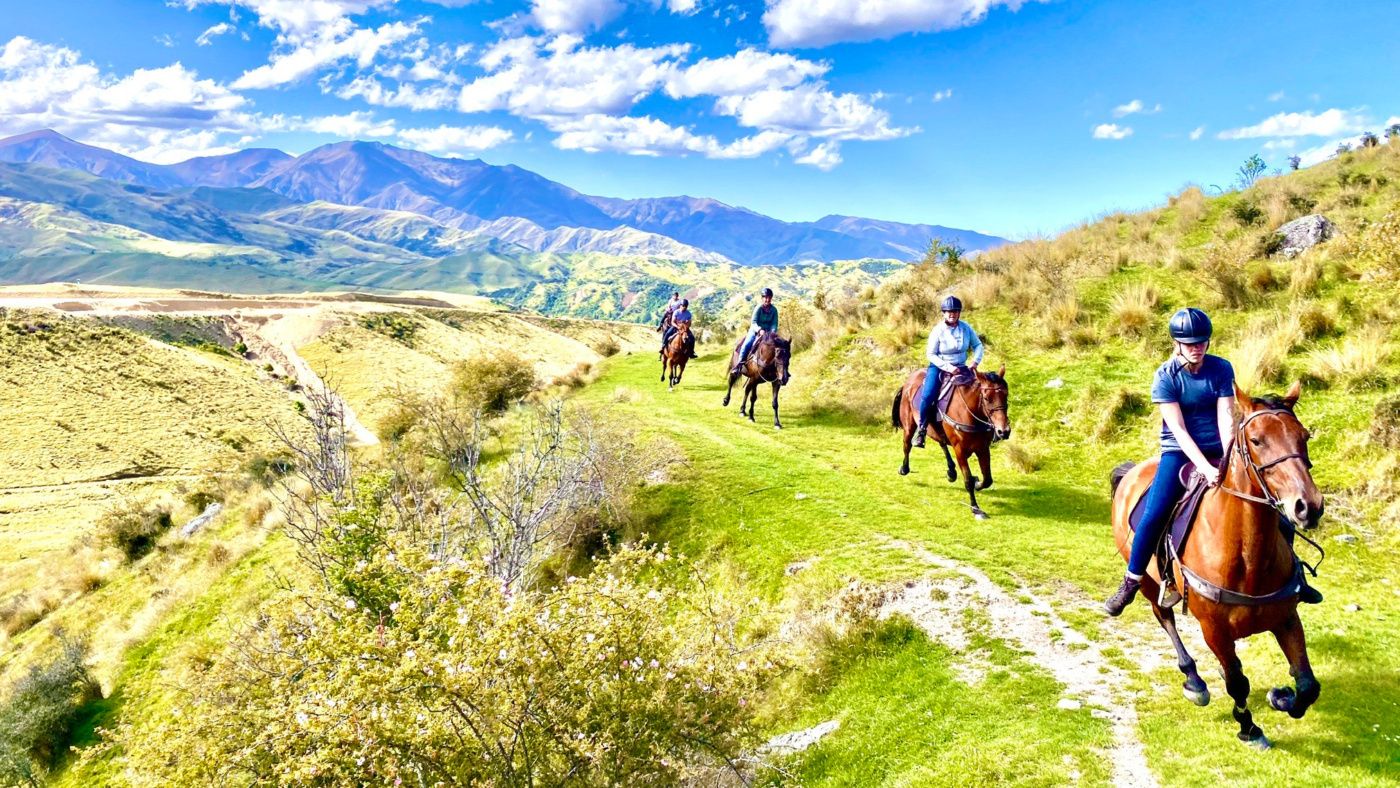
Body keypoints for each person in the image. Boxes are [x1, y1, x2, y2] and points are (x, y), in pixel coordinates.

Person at [1104, 308, 1322, 616]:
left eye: (1202, 342)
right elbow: (1177, 429)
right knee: (1153, 513)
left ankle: (1295, 575)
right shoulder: (1166, 377)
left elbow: (1224, 417)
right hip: (1179, 452)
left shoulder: (1221, 368)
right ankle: (1131, 581)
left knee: (1271, 504)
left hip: (1221, 448)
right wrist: (1205, 468)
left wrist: (1228, 456)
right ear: (1176, 343)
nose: (1197, 348)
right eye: (1189, 343)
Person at [912, 295, 984, 448]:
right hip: (939, 367)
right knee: (928, 394)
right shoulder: (937, 330)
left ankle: (989, 427)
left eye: (955, 311)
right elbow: (931, 354)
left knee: (982, 391)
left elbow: (978, 345)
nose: (952, 314)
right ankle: (922, 429)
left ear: (959, 312)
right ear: (943, 313)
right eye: (949, 311)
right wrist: (949, 367)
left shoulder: (966, 328)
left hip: (963, 367)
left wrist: (975, 361)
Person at [731, 287, 778, 374]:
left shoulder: (774, 310)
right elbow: (753, 322)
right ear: (762, 298)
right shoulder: (758, 308)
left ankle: (779, 370)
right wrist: (759, 330)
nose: (767, 299)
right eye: (765, 297)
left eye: (769, 297)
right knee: (747, 344)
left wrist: (772, 332)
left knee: (779, 348)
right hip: (755, 331)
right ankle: (739, 365)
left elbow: (774, 323)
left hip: (768, 333)